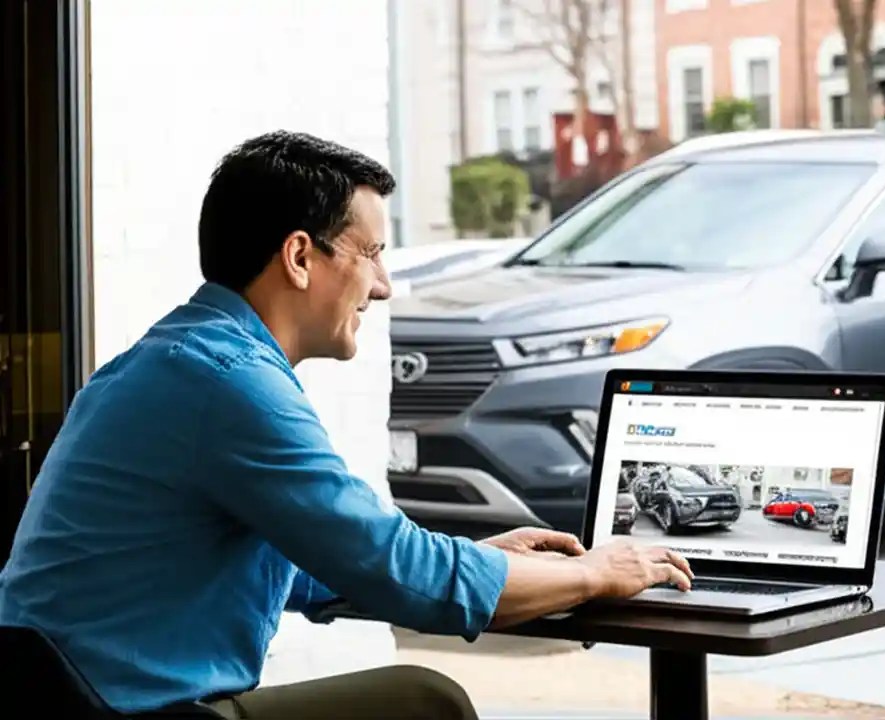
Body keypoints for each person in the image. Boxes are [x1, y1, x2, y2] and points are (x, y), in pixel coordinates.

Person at [0, 130, 693, 719]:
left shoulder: (178, 361)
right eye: (371, 253)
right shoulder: (229, 384)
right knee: (424, 701)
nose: (383, 285)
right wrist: (596, 574)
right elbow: (392, 568)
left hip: (68, 698)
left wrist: (483, 562)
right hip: (127, 713)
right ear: (301, 257)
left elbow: (332, 559)